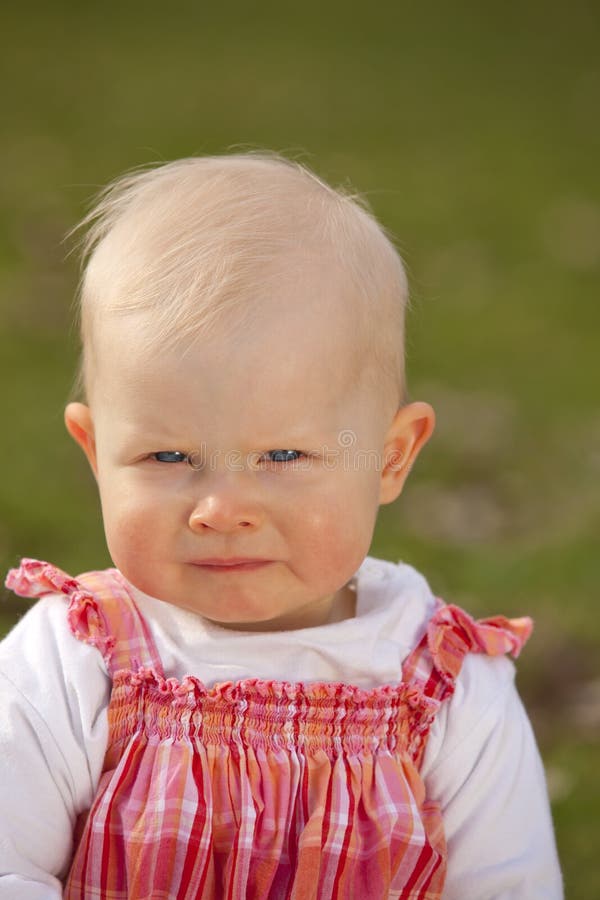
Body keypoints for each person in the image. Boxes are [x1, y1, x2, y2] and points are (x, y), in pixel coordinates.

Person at [0, 152, 562, 899]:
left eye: (283, 455)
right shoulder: (72, 664)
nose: (222, 508)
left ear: (389, 459)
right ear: (95, 451)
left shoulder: (450, 693)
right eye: (168, 454)